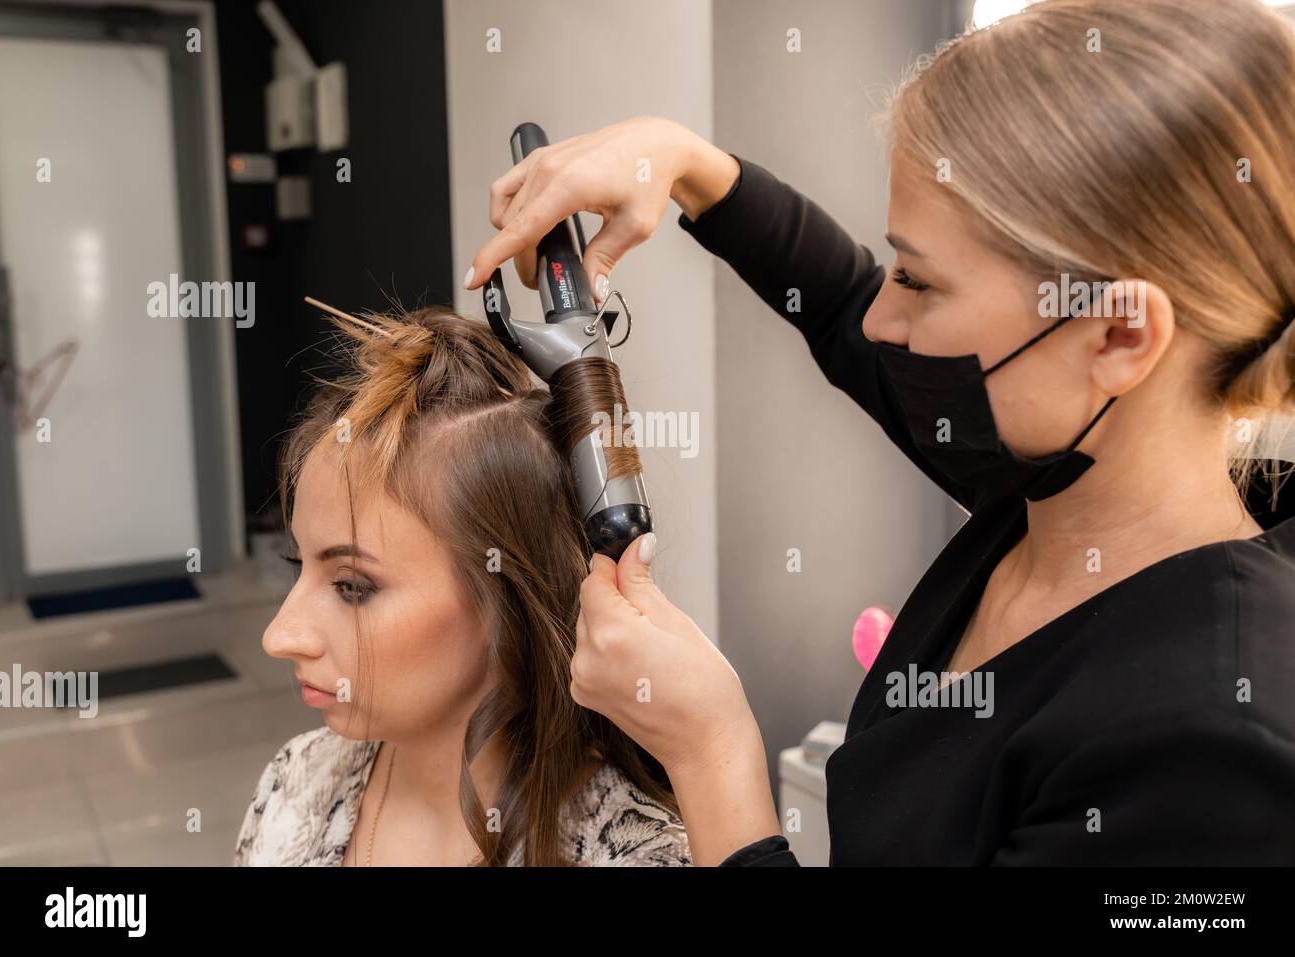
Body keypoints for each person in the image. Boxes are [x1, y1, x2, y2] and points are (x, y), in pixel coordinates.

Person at [465, 0, 1295, 865]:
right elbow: (835, 297)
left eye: (921, 283)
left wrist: (714, 757)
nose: (880, 318)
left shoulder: (1215, 755)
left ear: (1119, 336)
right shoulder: (1056, 485)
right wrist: (682, 161)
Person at [233, 304, 690, 866]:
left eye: (353, 587)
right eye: (296, 561)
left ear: (509, 599)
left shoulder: (631, 853)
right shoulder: (295, 783)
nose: (280, 636)